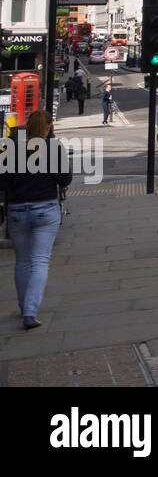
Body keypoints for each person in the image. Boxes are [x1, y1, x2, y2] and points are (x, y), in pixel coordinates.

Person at [1, 110, 73, 329]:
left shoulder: (12, 149)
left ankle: (24, 308)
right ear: (48, 126)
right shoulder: (53, 147)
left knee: (22, 261)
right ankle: (30, 313)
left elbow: (2, 182)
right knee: (40, 260)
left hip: (16, 210)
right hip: (45, 209)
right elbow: (65, 179)